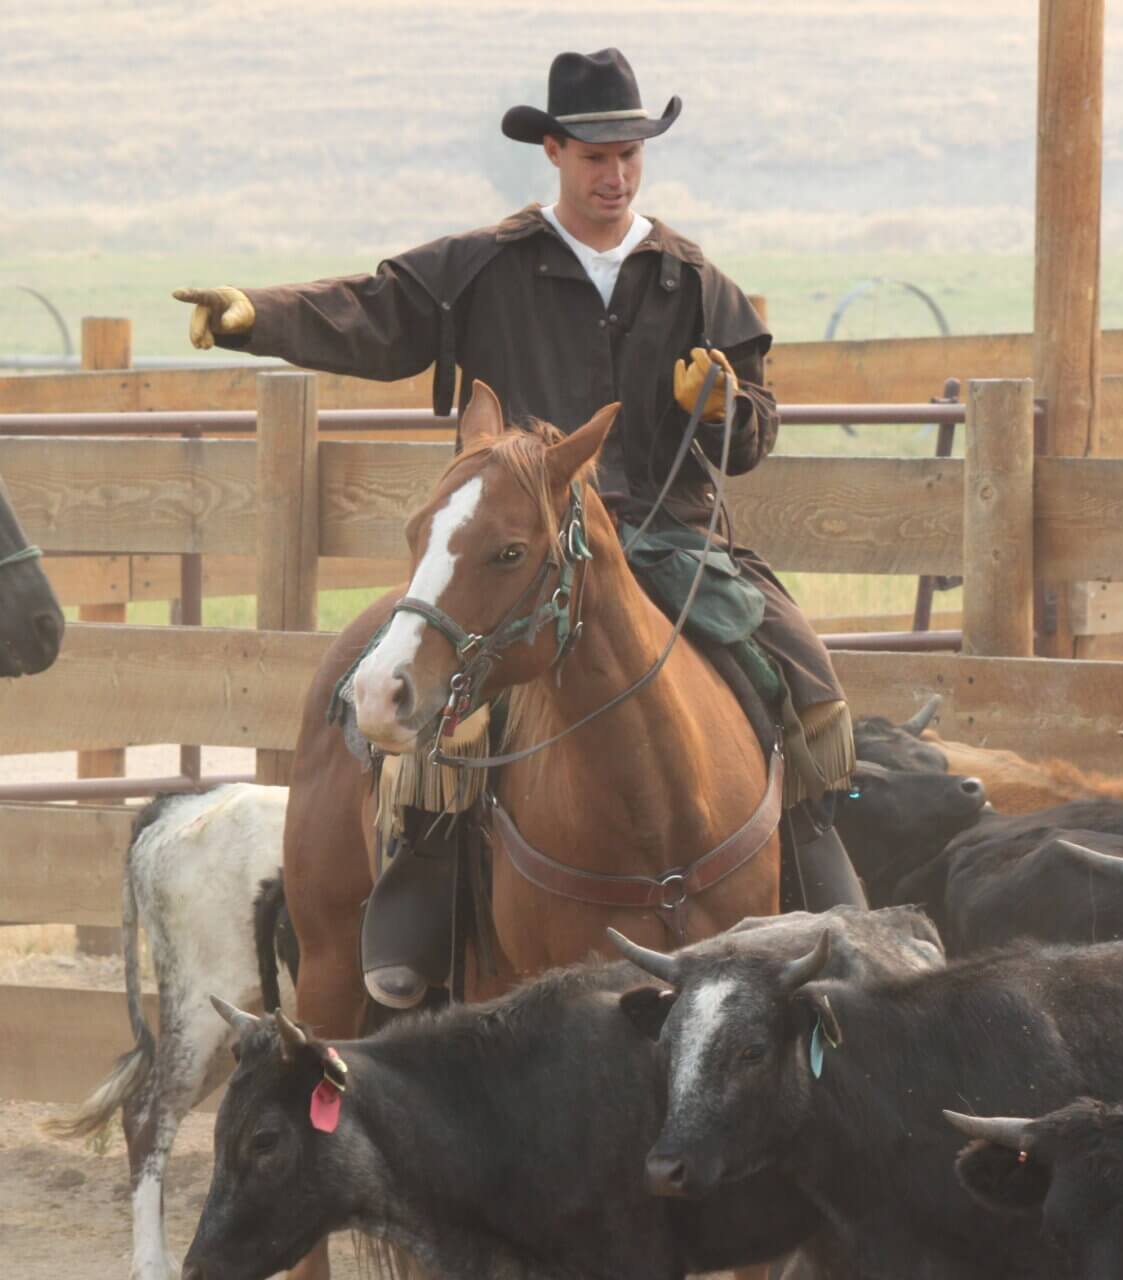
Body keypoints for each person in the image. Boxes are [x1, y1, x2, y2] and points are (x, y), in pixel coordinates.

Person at [176, 48, 865, 1007]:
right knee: (444, 699)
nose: (614, 175)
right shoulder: (487, 266)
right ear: (552, 151)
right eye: (593, 155)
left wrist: (720, 403)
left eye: (628, 154)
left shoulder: (695, 282)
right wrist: (259, 316)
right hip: (521, 547)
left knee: (796, 673)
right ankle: (424, 887)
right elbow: (374, 313)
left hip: (670, 537)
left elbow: (754, 430)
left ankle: (815, 856)